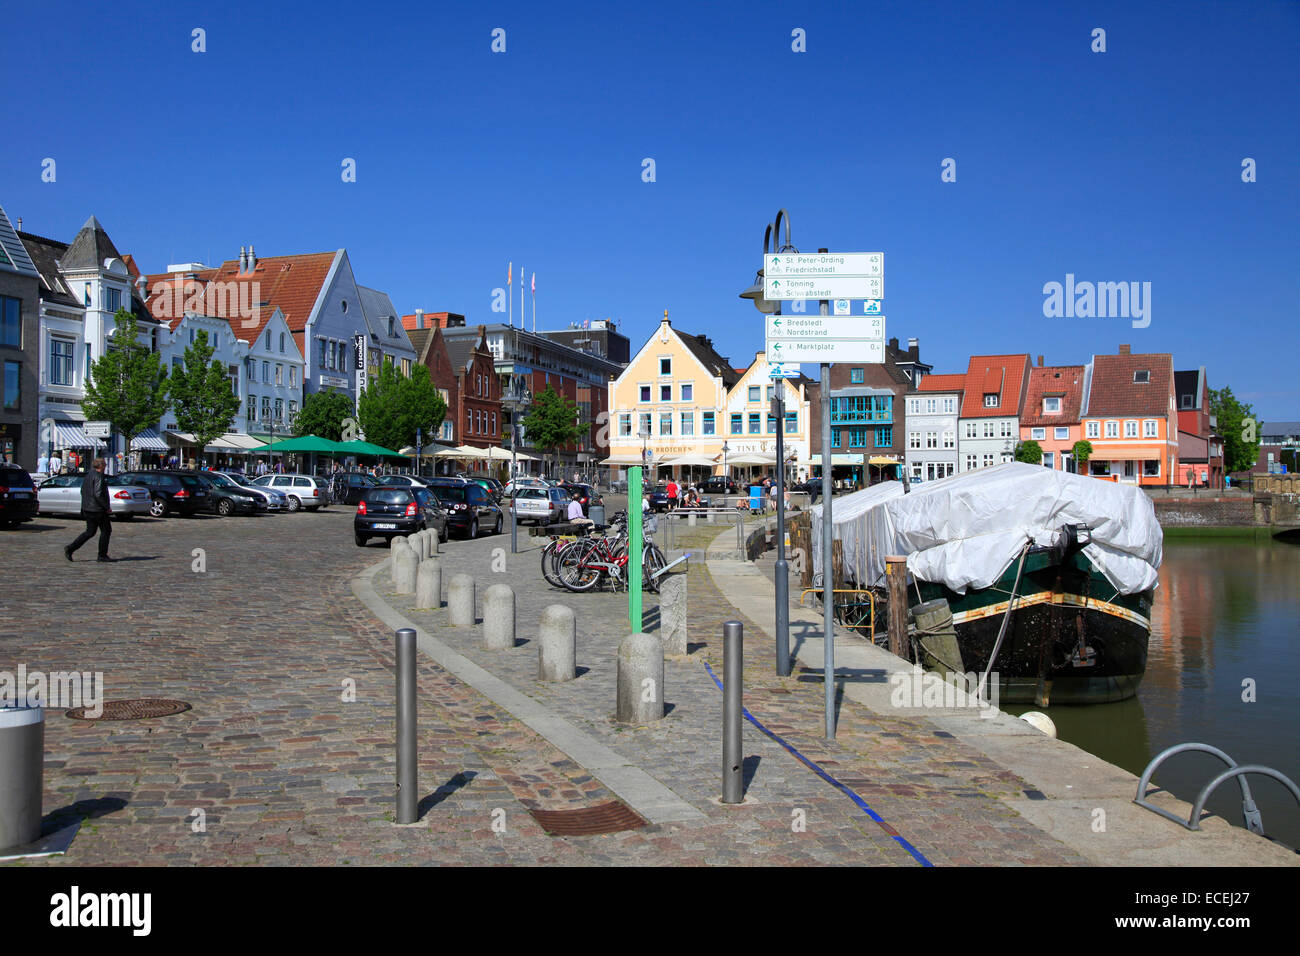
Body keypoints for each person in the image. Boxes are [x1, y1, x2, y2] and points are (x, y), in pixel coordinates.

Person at [65, 458, 113, 563]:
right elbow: (98, 494)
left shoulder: (88, 475)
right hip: (97, 509)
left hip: (88, 508)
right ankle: (102, 555)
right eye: (104, 465)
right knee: (106, 531)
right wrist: (106, 507)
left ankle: (71, 548)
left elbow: (83, 490)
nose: (105, 467)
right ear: (101, 466)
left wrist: (86, 504)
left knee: (90, 532)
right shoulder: (99, 476)